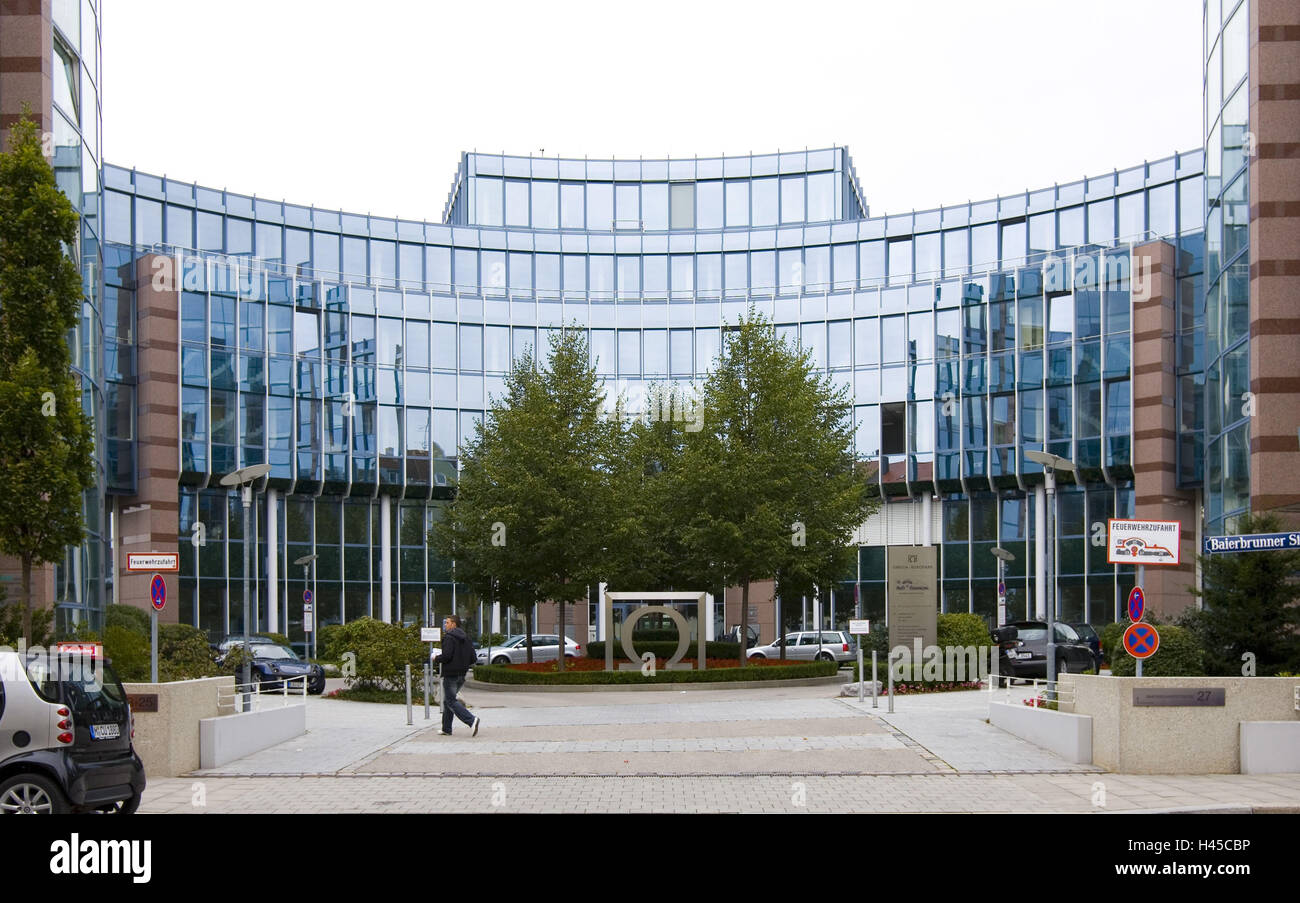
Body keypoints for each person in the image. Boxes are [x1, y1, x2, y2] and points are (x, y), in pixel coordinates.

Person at [433, 614, 480, 736]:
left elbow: (447, 656)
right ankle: (446, 728)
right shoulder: (466, 638)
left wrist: (436, 658)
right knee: (447, 700)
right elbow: (473, 658)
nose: (445, 625)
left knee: (450, 700)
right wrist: (462, 664)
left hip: (450, 673)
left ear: (453, 624)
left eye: (447, 622)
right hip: (462, 674)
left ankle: (471, 720)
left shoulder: (449, 637)